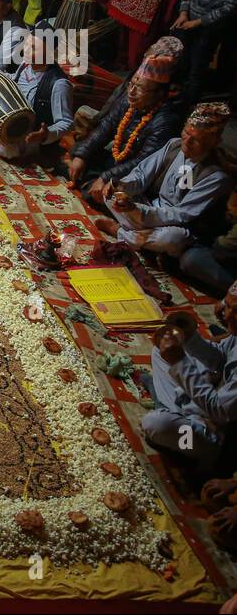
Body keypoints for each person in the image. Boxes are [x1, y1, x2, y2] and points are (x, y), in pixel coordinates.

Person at [95, 101, 231, 263]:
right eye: (186, 133)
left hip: (176, 224)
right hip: (150, 206)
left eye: (196, 140)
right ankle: (146, 242)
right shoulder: (174, 145)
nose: (187, 142)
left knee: (172, 239)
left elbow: (182, 215)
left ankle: (120, 232)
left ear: (214, 142)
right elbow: (141, 175)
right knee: (109, 193)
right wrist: (121, 187)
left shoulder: (215, 176)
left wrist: (138, 211)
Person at [69, 42, 186, 201]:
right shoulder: (128, 100)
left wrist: (106, 177)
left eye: (140, 88)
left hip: (136, 173)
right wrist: (81, 155)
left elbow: (142, 162)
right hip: (117, 160)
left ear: (159, 94)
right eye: (132, 84)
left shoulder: (165, 120)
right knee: (78, 152)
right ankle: (91, 182)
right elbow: (106, 127)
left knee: (112, 195)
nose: (131, 92)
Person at [140, 283, 237, 468]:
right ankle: (172, 404)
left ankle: (183, 441)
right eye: (228, 305)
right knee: (160, 348)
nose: (227, 315)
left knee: (155, 424)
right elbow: (220, 359)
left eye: (236, 311)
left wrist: (180, 364)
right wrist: (189, 337)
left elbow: (218, 410)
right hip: (207, 397)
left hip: (215, 434)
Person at [0, 33, 72, 160]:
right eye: (26, 44)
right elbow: (12, 79)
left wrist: (46, 134)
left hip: (28, 135)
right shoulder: (26, 65)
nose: (25, 50)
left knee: (6, 150)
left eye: (33, 48)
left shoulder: (59, 84)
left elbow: (66, 122)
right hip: (8, 120)